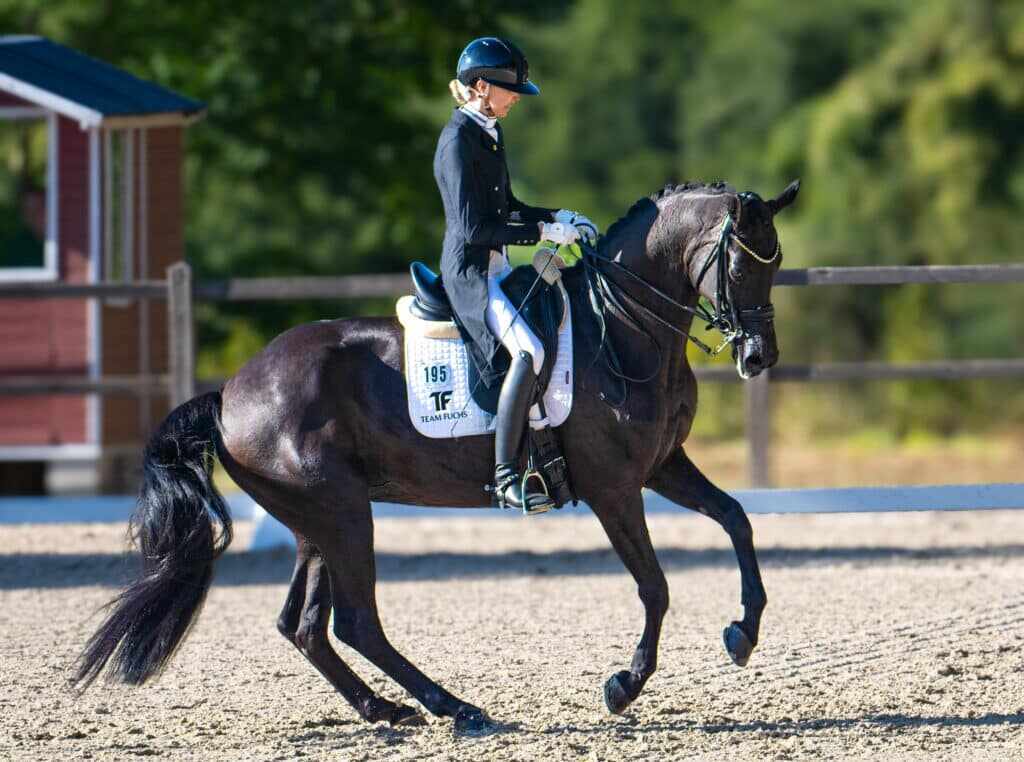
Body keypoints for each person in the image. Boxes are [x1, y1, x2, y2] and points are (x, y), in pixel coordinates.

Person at [434, 37, 596, 512]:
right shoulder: (457, 142)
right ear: (482, 87)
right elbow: (475, 227)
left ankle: (543, 453)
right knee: (530, 348)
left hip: (497, 266)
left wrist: (559, 215)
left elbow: (510, 208)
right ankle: (506, 475)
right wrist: (545, 231)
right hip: (470, 274)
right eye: (509, 91)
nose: (516, 99)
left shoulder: (489, 131)